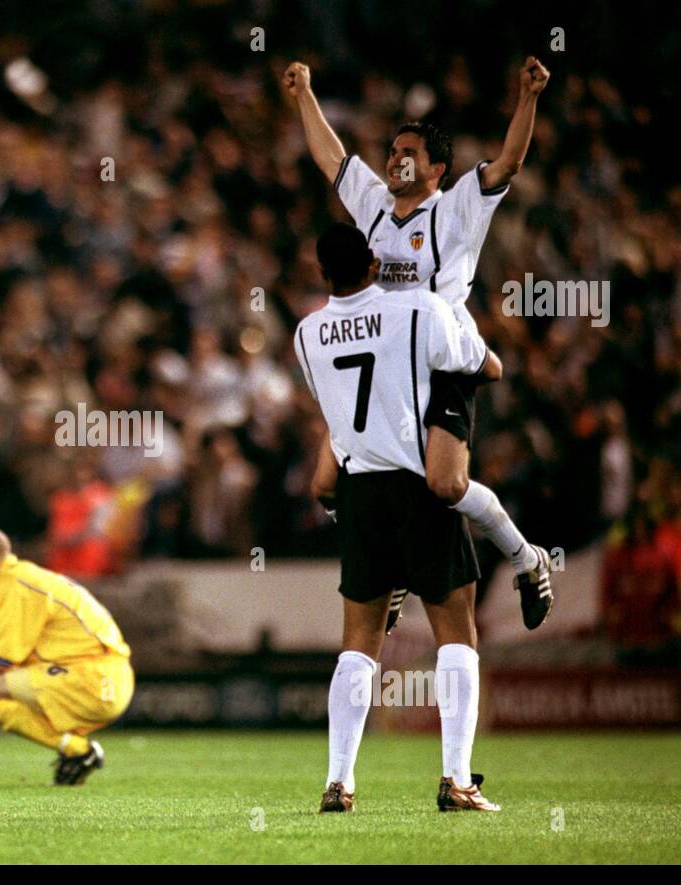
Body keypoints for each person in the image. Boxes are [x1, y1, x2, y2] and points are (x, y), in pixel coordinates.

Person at [285, 57, 553, 631]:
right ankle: (396, 569)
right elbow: (330, 158)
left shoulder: (457, 207)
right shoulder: (374, 206)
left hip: (441, 359)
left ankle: (526, 559)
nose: (395, 159)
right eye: (392, 150)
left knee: (444, 484)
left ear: (437, 168)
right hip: (385, 364)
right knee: (328, 484)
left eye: (410, 152)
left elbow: (509, 161)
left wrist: (527, 97)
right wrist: (305, 94)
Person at [294, 223, 513, 812]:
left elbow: (335, 413)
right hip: (416, 487)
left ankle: (339, 783)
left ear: (322, 274)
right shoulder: (417, 309)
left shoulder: (306, 333)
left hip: (358, 492)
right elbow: (480, 367)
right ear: (373, 262)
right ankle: (456, 780)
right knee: (457, 633)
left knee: (357, 644)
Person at [0, 523, 134, 786]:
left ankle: (79, 752)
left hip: (94, 678)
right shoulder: (20, 579)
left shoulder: (16, 586)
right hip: (99, 679)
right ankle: (76, 754)